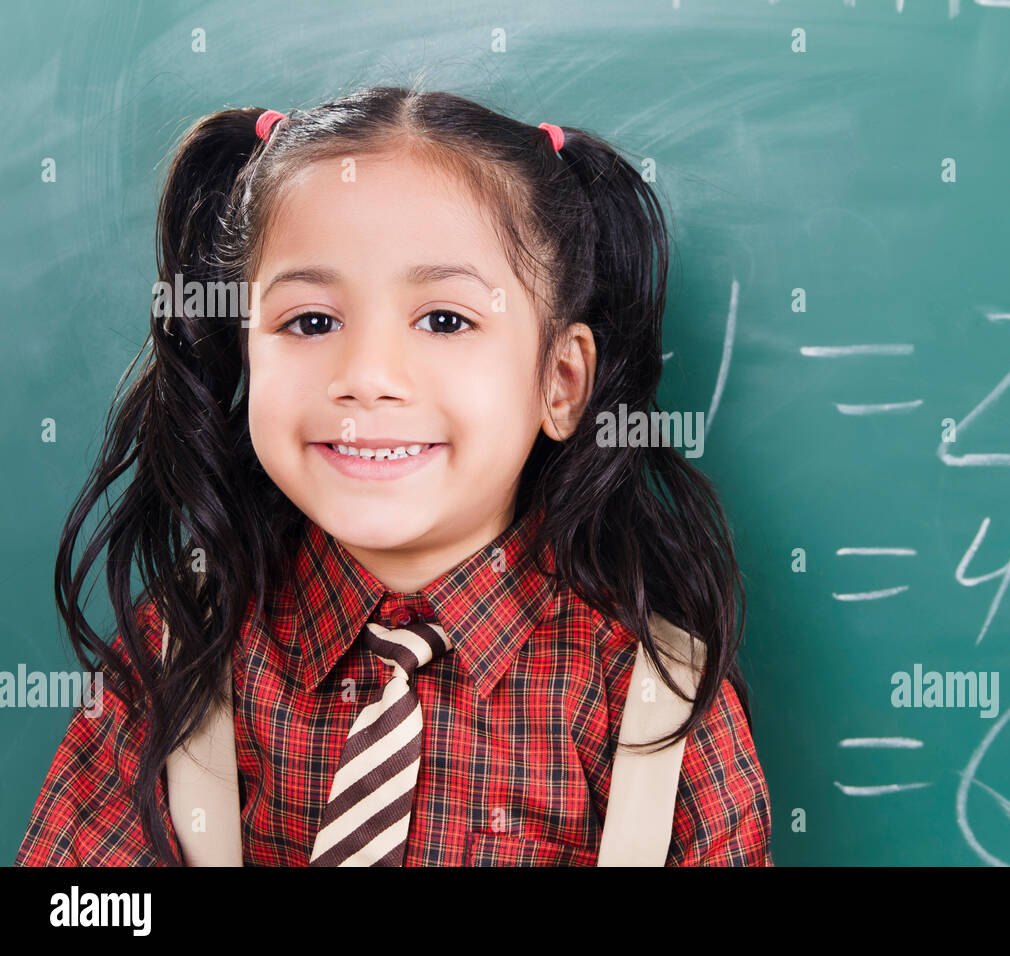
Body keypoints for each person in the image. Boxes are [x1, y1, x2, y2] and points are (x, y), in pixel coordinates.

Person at [15, 86, 773, 866]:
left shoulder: (650, 697)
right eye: (311, 322)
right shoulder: (184, 647)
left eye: (445, 320)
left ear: (561, 382)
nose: (369, 377)